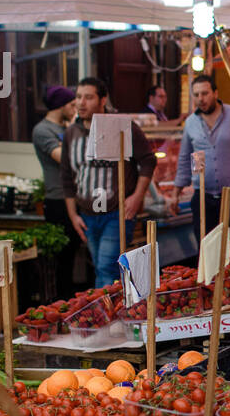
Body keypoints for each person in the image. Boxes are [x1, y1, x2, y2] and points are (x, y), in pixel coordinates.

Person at [60, 76, 156, 287]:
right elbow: (67, 176)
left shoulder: (122, 127)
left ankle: (102, 317)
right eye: (78, 97)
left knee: (106, 268)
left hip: (117, 213)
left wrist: (137, 196)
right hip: (87, 215)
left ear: (102, 100)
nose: (81, 103)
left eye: (88, 97)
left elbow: (148, 160)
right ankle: (115, 315)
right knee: (101, 268)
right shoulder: (71, 134)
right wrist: (72, 214)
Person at [168, 74, 230, 255]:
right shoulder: (191, 122)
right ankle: (209, 284)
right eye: (197, 94)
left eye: (205, 93)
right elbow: (184, 158)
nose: (201, 99)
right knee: (206, 251)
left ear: (215, 93)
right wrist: (175, 194)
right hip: (202, 197)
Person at [32, 86, 81, 296]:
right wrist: (73, 131)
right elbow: (66, 159)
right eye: (71, 104)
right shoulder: (43, 131)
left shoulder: (67, 127)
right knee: (63, 260)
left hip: (77, 198)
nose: (76, 108)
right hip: (58, 200)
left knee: (75, 256)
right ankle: (62, 305)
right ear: (60, 106)